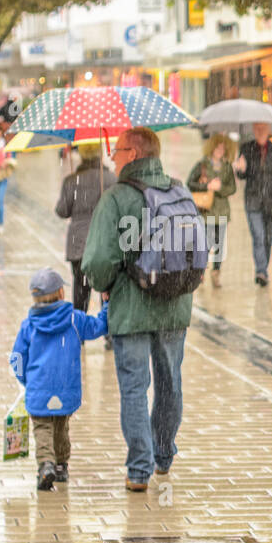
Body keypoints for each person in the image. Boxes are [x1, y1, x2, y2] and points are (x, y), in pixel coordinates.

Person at [81, 127, 194, 492]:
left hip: (131, 308)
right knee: (170, 383)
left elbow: (98, 261)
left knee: (134, 388)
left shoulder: (116, 197)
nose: (112, 156)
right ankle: (163, 455)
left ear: (133, 153)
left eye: (117, 150)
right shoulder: (179, 189)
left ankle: (139, 468)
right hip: (175, 304)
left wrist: (106, 285)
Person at [9, 268, 108, 490]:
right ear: (61, 294)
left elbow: (16, 358)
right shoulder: (75, 319)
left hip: (38, 389)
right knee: (61, 426)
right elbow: (100, 326)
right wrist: (108, 305)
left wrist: (26, 380)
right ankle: (62, 465)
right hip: (66, 389)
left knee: (42, 427)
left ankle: (46, 465)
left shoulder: (29, 326)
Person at [55, 143, 117, 314]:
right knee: (107, 292)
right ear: (101, 154)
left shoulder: (72, 180)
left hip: (79, 245)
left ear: (81, 155)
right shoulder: (111, 179)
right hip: (105, 245)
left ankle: (79, 334)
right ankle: (109, 334)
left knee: (80, 293)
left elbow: (62, 211)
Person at [234, 122, 272, 286]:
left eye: (263, 128)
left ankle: (263, 268)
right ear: (253, 129)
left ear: (268, 130)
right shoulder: (246, 148)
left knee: (268, 237)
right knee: (258, 237)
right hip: (252, 201)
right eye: (257, 128)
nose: (260, 131)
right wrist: (240, 169)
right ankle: (261, 271)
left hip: (271, 201)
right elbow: (242, 175)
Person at [187, 134, 238, 288]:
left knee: (220, 245)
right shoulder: (202, 165)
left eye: (223, 148)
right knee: (205, 244)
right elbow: (190, 183)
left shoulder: (227, 166)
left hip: (222, 212)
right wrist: (207, 186)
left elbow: (232, 188)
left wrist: (220, 188)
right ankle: (201, 271)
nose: (220, 151)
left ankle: (216, 273)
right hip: (205, 211)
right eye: (217, 147)